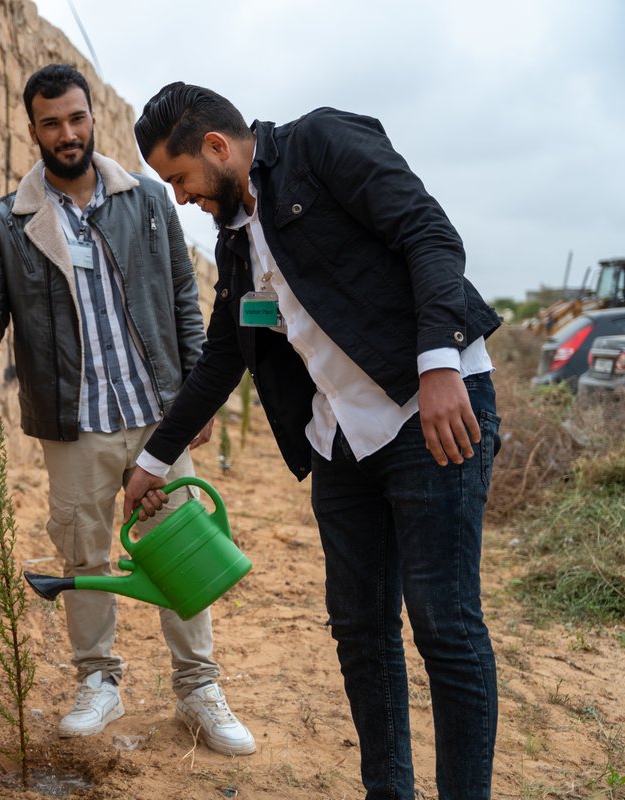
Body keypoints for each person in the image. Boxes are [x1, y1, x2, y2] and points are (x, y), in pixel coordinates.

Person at [122, 83, 502, 799]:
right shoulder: (235, 237)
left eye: (180, 179)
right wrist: (152, 457)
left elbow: (427, 231)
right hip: (342, 442)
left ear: (217, 147)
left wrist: (441, 361)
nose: (179, 198)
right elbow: (226, 354)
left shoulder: (320, 145)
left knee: (444, 625)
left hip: (430, 408)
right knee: (361, 631)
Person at [0, 65, 256, 756]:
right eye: (51, 123)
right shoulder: (7, 221)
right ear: (33, 131)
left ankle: (198, 689)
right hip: (73, 419)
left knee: (182, 547)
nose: (67, 133)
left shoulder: (146, 199)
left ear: (92, 119)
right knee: (84, 553)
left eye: (77, 118)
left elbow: (182, 294)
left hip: (158, 414)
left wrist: (198, 394)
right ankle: (99, 683)